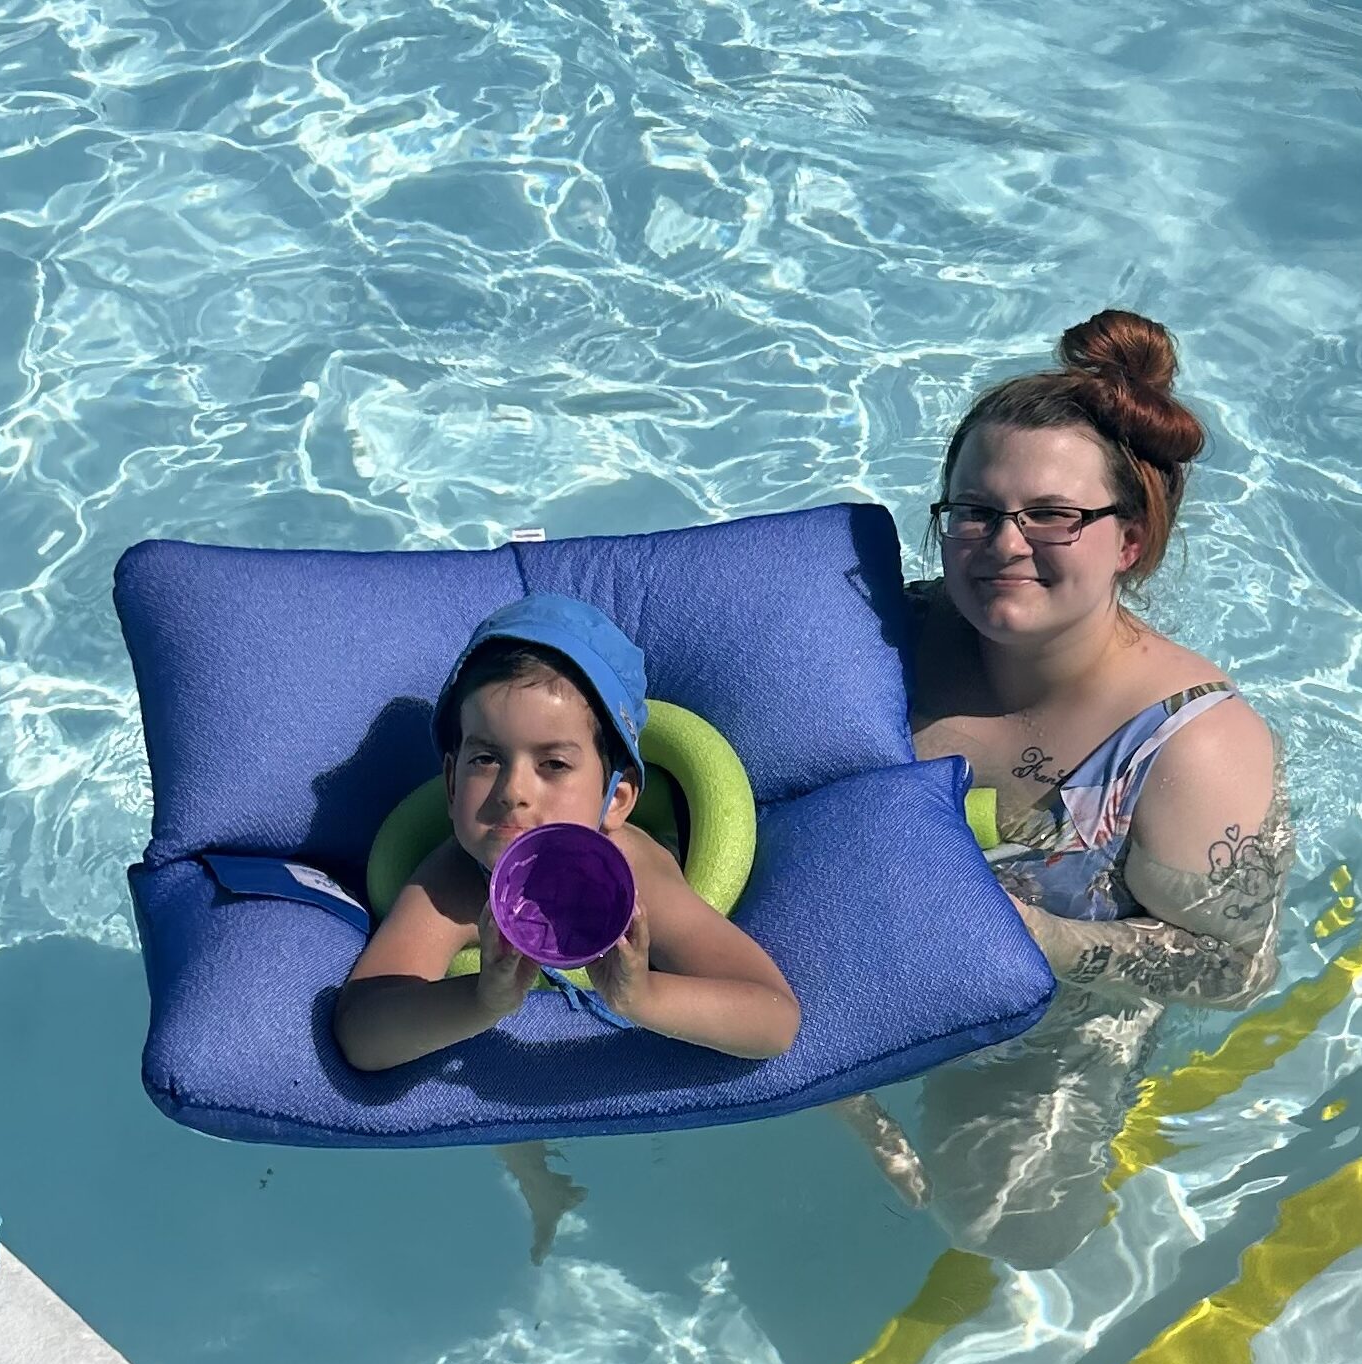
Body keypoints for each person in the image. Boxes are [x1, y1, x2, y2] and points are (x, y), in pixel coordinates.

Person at [835, 308, 1294, 1269]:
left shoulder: (1193, 746)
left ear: (1128, 541)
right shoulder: (881, 646)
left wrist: (1048, 939)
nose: (1003, 543)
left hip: (1048, 1023)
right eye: (975, 511)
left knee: (1011, 1224)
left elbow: (1236, 969)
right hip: (854, 962)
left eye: (1051, 515)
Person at [334, 594, 799, 1258]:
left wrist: (643, 996)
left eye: (552, 764)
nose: (513, 791)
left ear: (617, 798)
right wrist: (480, 1001)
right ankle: (540, 1187)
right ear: (450, 779)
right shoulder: (450, 884)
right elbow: (362, 1032)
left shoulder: (636, 874)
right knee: (491, 1089)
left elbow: (773, 1019)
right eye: (485, 758)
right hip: (507, 1060)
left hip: (643, 1045)